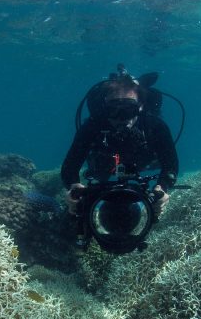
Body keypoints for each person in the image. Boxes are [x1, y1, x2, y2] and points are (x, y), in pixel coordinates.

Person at [61, 71, 179, 218]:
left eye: (129, 110)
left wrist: (163, 187)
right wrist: (74, 187)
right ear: (105, 108)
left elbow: (170, 165)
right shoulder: (93, 126)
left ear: (140, 106)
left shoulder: (155, 126)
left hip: (142, 159)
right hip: (105, 162)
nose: (122, 118)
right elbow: (69, 167)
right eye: (114, 110)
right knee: (100, 175)